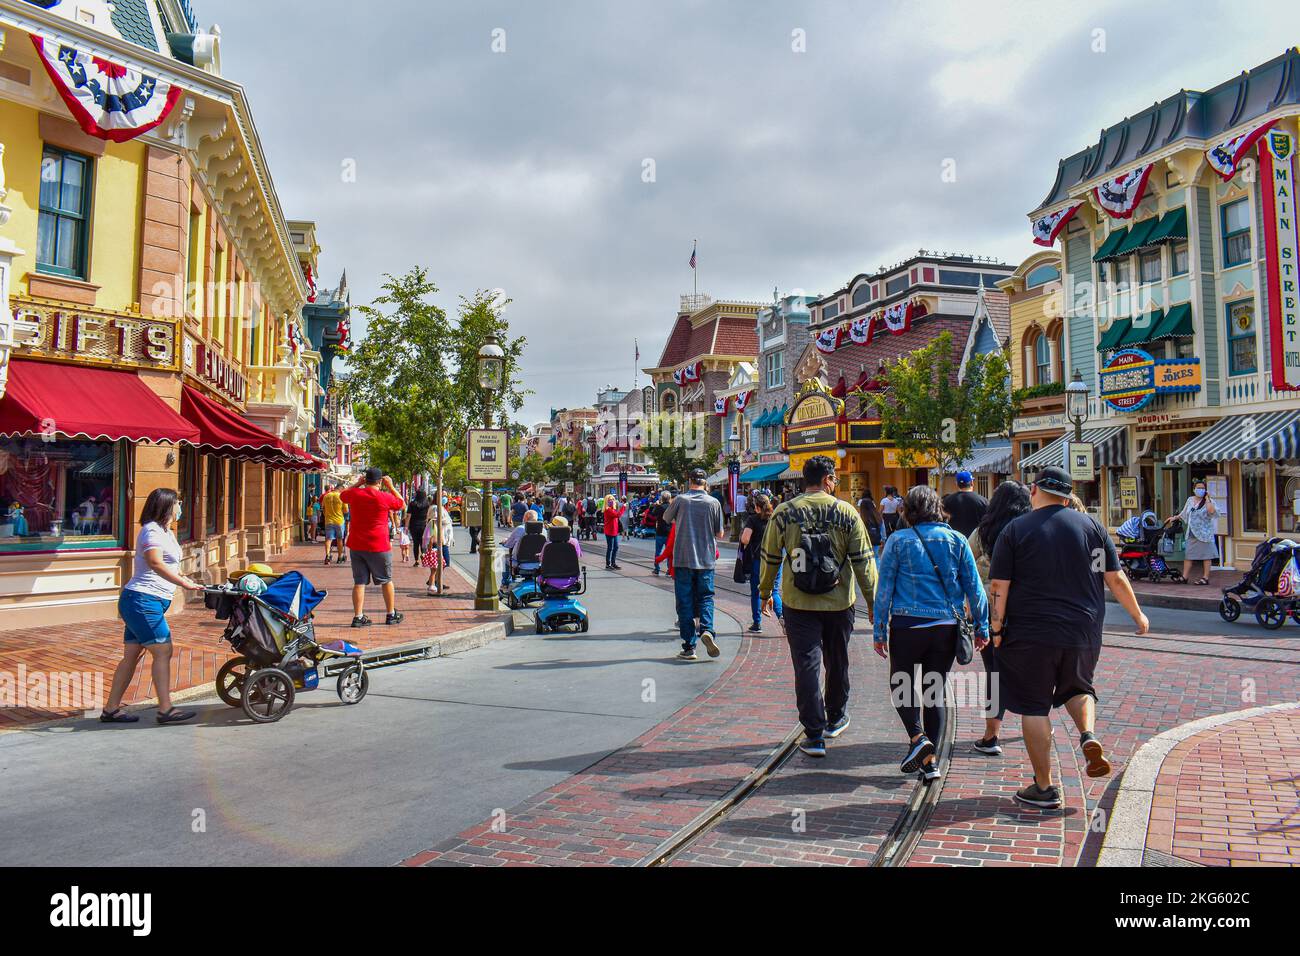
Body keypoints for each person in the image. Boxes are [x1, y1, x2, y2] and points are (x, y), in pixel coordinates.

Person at [988, 466, 1150, 810]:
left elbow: (999, 587)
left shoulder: (1015, 530)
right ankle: (1088, 735)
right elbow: (1115, 577)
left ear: (1034, 491)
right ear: (1066, 494)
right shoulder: (1092, 527)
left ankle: (1044, 787)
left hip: (1030, 632)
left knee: (1034, 705)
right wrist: (1138, 615)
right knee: (1079, 688)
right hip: (1083, 629)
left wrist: (997, 628)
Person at [759, 455, 876, 758]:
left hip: (798, 603)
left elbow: (770, 556)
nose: (835, 482)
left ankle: (813, 734)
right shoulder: (848, 513)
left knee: (806, 664)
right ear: (827, 480)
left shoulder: (784, 512)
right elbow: (864, 562)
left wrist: (764, 591)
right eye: (835, 478)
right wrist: (875, 604)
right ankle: (835, 716)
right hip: (839, 602)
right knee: (837, 659)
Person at [872, 484, 985, 780]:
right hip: (945, 628)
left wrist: (879, 630)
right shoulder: (957, 540)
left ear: (907, 510)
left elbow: (883, 590)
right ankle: (930, 763)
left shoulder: (898, 541)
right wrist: (982, 627)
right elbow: (975, 589)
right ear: (938, 507)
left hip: (907, 625)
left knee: (901, 686)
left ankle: (917, 738)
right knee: (934, 692)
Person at [101, 488, 205, 725]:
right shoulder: (151, 530)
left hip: (148, 600)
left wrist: (187, 579)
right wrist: (182, 583)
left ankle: (111, 709)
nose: (181, 507)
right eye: (178, 503)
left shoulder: (167, 532)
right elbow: (155, 562)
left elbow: (171, 565)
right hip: (142, 600)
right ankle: (165, 709)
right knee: (163, 650)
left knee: (132, 655)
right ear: (167, 506)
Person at [967, 480, 1032, 757]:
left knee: (994, 672)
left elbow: (967, 563)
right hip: (1026, 609)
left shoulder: (985, 531)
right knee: (1034, 672)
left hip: (990, 608)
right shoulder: (1031, 529)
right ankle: (1039, 723)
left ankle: (991, 735)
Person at [664, 468, 725, 660]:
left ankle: (689, 647)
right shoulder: (713, 502)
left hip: (683, 558)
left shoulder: (681, 500)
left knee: (685, 602)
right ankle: (707, 629)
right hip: (706, 559)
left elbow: (666, 518)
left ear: (689, 480)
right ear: (705, 482)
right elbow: (720, 533)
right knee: (706, 597)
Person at [340, 467, 405, 627]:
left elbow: (342, 495)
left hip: (357, 544)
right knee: (386, 580)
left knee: (359, 582)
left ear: (365, 480)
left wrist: (357, 483)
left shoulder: (355, 494)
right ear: (380, 481)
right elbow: (402, 504)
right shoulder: (384, 496)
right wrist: (391, 486)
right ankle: (391, 614)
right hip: (379, 545)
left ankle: (358, 616)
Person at [741, 492, 781, 632]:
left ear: (757, 507)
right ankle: (782, 618)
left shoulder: (753, 519)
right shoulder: (776, 517)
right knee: (774, 590)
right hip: (776, 559)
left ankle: (757, 623)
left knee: (756, 591)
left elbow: (745, 539)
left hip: (759, 560)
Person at [1171, 479, 1219, 585]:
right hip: (1192, 532)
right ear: (1194, 489)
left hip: (1205, 533)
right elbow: (1184, 513)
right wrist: (1175, 518)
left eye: (1202, 488)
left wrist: (1207, 498)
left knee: (1206, 556)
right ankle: (1185, 577)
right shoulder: (1190, 500)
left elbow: (1212, 511)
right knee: (1189, 555)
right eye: (1198, 488)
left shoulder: (1209, 501)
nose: (1200, 490)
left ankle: (1205, 578)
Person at [942, 470, 988, 539]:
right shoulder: (983, 501)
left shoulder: (947, 501)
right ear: (972, 483)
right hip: (975, 543)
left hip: (954, 541)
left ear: (957, 484)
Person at [321, 484, 347, 564]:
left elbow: (323, 508)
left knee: (328, 539)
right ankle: (339, 557)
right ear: (341, 489)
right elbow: (346, 511)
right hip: (339, 521)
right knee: (339, 539)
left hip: (328, 520)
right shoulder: (341, 496)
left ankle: (327, 555)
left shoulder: (326, 496)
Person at [650, 491, 671, 575]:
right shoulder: (671, 507)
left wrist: (656, 505)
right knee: (669, 552)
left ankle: (657, 568)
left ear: (662, 498)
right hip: (669, 532)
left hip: (660, 531)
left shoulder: (659, 507)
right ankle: (669, 570)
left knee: (658, 551)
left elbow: (652, 514)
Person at [602, 494, 626, 569]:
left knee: (615, 547)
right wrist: (623, 507)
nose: (611, 501)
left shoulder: (612, 509)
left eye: (612, 499)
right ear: (606, 501)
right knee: (610, 548)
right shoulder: (608, 509)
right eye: (609, 500)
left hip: (614, 531)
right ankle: (608, 564)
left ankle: (613, 563)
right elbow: (618, 515)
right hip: (609, 531)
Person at [857, 488, 883, 553]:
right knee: (876, 556)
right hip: (875, 539)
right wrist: (883, 539)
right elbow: (881, 527)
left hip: (864, 540)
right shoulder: (876, 516)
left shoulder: (860, 517)